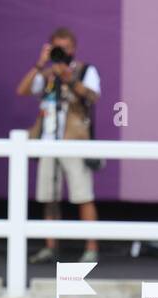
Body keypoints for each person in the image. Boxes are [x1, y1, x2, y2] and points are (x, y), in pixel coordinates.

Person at [18, 27, 101, 265]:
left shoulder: (85, 70)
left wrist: (68, 77)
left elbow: (92, 97)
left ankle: (91, 248)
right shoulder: (47, 74)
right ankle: (50, 246)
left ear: (73, 48)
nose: (61, 52)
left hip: (74, 141)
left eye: (65, 47)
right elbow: (22, 90)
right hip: (47, 141)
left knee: (83, 196)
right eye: (57, 47)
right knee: (49, 197)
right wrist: (40, 64)